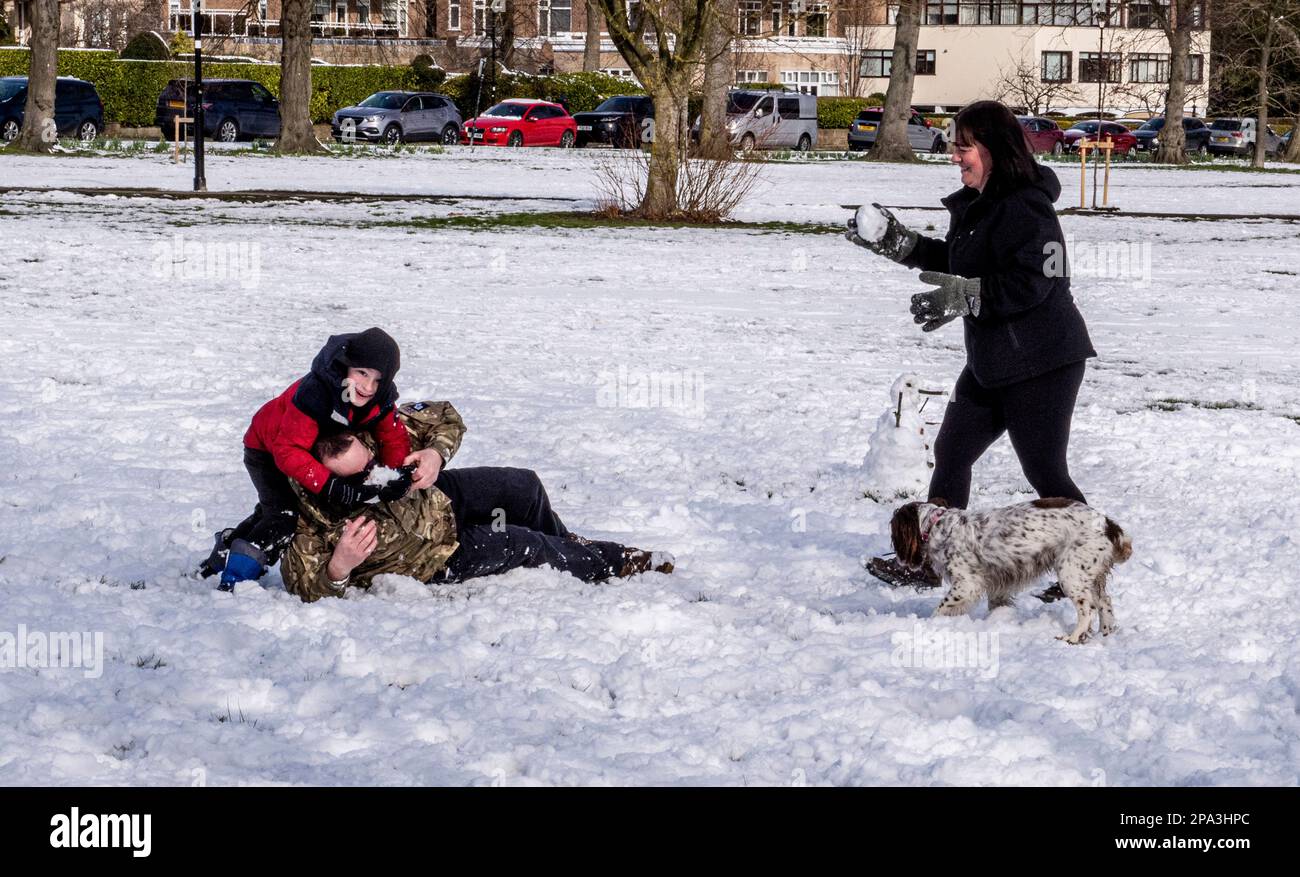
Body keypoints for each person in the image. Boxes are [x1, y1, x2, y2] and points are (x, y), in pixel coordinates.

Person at [846, 100, 1097, 588]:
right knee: (954, 451)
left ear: (994, 150)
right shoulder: (979, 206)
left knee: (1046, 472)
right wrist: (897, 243)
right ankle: (928, 564)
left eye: (965, 148)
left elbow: (1036, 282)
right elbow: (957, 260)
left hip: (1043, 361)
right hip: (994, 362)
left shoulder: (1028, 206)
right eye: (955, 147)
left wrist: (969, 295)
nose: (955, 156)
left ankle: (1083, 565)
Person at [276, 401, 674, 601]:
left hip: (436, 501)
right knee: (520, 542)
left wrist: (435, 455)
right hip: (431, 557)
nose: (374, 478)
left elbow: (445, 416)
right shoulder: (306, 512)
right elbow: (301, 587)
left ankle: (568, 543)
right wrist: (340, 567)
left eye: (373, 466)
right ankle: (615, 562)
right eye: (359, 479)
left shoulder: (372, 429)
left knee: (523, 487)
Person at [200, 328, 443, 590]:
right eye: (362, 373)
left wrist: (394, 475)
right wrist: (331, 486)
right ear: (346, 366)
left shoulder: (379, 398)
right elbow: (288, 450)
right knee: (283, 515)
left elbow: (392, 437)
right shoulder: (314, 393)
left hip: (310, 451)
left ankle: (226, 550)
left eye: (377, 380)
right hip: (268, 451)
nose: (367, 387)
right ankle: (234, 579)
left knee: (270, 512)